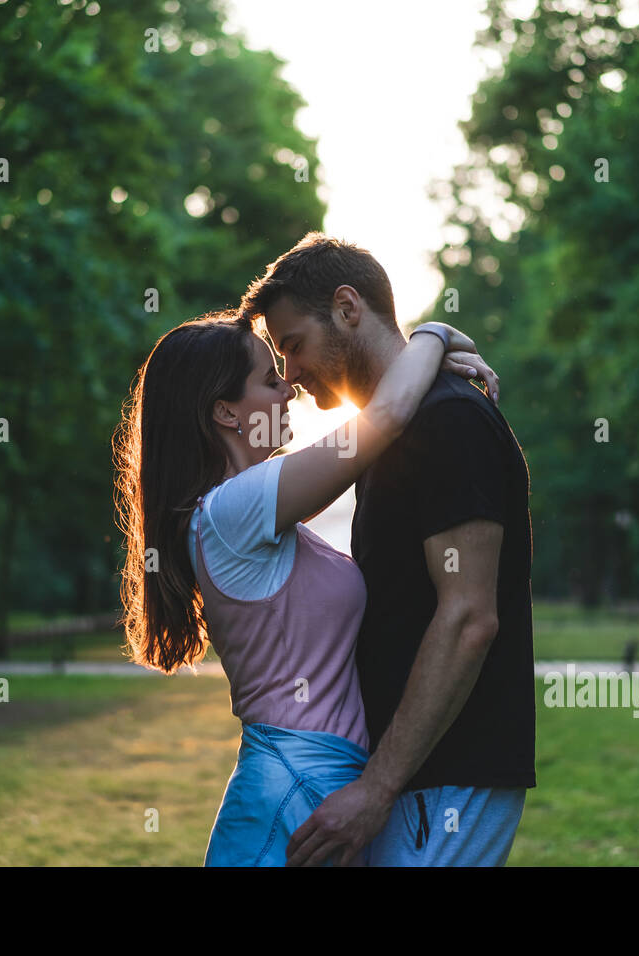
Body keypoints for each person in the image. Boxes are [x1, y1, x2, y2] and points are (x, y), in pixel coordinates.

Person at [113, 306, 498, 866]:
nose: (289, 390)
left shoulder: (254, 514)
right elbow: (385, 417)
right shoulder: (235, 510)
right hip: (292, 788)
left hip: (314, 783)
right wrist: (433, 336)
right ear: (225, 412)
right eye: (270, 379)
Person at [238, 233, 536, 867]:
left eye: (293, 346)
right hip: (412, 778)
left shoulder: (447, 420)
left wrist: (377, 787)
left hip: (444, 780)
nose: (289, 375)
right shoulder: (390, 434)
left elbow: (468, 619)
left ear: (348, 308)